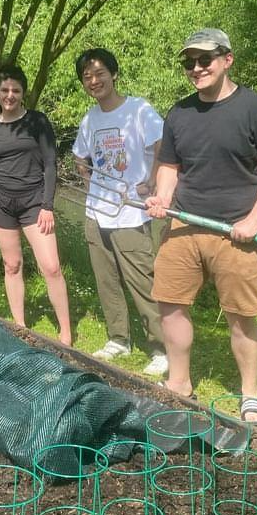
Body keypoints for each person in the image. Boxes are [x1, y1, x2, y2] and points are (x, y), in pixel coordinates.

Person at [146, 28, 257, 420]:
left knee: (241, 316)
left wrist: (253, 220)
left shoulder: (256, 109)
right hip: (184, 225)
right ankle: (179, 382)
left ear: (227, 60)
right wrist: (162, 197)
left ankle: (249, 394)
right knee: (170, 305)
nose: (196, 68)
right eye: (189, 63)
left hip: (237, 233)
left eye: (204, 60)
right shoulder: (179, 112)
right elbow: (171, 166)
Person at [71, 47, 168, 376]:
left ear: (113, 74)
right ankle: (119, 339)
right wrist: (89, 181)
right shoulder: (90, 119)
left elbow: (163, 144)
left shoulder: (139, 110)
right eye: (87, 77)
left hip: (131, 213)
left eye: (99, 73)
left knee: (142, 279)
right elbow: (78, 157)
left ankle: (160, 347)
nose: (94, 80)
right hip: (97, 212)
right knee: (107, 279)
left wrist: (151, 181)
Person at [0, 65, 73, 345]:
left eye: (16, 90)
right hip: (1, 206)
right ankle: (20, 327)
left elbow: (50, 164)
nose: (10, 95)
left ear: (23, 93)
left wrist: (47, 205)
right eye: (5, 90)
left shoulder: (37, 122)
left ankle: (65, 333)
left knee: (51, 267)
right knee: (12, 265)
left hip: (34, 204)